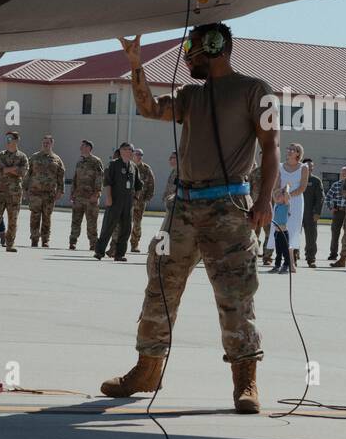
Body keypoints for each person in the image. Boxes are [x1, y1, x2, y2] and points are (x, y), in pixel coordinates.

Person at [99, 23, 275, 414]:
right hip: (183, 207)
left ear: (214, 47)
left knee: (235, 296)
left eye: (192, 50)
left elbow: (270, 147)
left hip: (228, 209)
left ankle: (245, 381)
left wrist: (264, 200)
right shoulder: (191, 95)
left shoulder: (255, 91)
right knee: (160, 285)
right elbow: (149, 108)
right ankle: (147, 371)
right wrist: (135, 65)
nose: (187, 58)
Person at [95, 142, 142, 261]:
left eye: (130, 150)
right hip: (115, 200)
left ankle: (120, 254)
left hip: (128, 202)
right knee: (108, 226)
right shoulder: (113, 164)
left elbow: (138, 185)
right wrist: (108, 197)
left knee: (126, 229)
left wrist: (136, 198)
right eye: (125, 149)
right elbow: (108, 182)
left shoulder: (133, 166)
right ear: (120, 151)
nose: (128, 152)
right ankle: (99, 252)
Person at [265, 143, 308, 273]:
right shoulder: (280, 166)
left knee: (292, 231)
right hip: (281, 202)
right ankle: (278, 262)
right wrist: (278, 196)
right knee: (279, 231)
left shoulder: (303, 167)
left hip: (295, 202)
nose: (289, 151)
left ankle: (289, 263)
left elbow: (302, 187)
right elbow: (276, 185)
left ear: (298, 153)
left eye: (292, 150)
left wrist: (290, 195)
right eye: (288, 149)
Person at [23, 135, 66, 248]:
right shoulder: (34, 157)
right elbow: (28, 174)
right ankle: (34, 238)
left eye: (48, 143)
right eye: (44, 142)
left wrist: (60, 191)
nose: (45, 144)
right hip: (35, 192)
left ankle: (45, 239)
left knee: (47, 217)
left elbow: (61, 176)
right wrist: (25, 189)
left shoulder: (57, 159)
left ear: (52, 144)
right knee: (35, 216)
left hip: (49, 193)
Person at [69, 139, 103, 251]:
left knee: (92, 222)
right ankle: (72, 242)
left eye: (83, 146)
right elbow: (75, 178)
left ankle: (93, 244)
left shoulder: (96, 161)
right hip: (78, 197)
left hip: (91, 198)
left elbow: (100, 178)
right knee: (75, 221)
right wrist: (72, 193)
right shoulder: (80, 162)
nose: (80, 148)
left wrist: (97, 193)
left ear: (89, 148)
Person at [130, 148, 156, 252]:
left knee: (137, 224)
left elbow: (151, 184)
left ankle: (134, 244)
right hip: (128, 201)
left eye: (141, 155)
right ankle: (118, 244)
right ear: (133, 155)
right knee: (124, 223)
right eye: (137, 154)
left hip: (140, 202)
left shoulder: (146, 169)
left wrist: (147, 198)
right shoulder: (129, 167)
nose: (139, 156)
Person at [327, 166, 346, 264]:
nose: (345, 175)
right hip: (338, 211)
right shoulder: (335, 185)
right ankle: (333, 254)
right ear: (340, 174)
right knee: (335, 234)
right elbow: (328, 197)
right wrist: (331, 207)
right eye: (343, 173)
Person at [302, 159, 324, 268]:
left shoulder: (315, 181)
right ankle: (293, 257)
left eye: (312, 167)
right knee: (293, 236)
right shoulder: (297, 178)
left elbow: (320, 198)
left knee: (311, 237)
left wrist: (317, 212)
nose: (310, 168)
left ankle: (311, 258)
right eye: (308, 166)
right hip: (297, 212)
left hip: (310, 213)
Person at [269, 186, 292, 273]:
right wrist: (279, 190)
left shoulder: (286, 205)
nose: (278, 197)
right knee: (278, 251)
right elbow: (273, 194)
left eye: (280, 196)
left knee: (285, 251)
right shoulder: (278, 205)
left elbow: (286, 195)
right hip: (277, 232)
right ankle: (277, 266)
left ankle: (286, 266)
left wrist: (286, 188)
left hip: (283, 232)